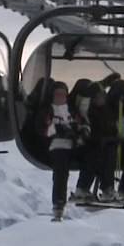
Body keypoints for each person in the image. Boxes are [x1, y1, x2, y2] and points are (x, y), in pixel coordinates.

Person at [42, 82, 78, 218]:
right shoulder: (48, 111)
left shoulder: (72, 110)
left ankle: (84, 189)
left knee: (93, 155)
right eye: (57, 94)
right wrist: (59, 130)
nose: (60, 96)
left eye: (63, 94)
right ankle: (59, 202)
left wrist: (79, 131)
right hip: (56, 144)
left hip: (74, 143)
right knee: (61, 171)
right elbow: (43, 129)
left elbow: (81, 123)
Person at [77, 86, 119, 200]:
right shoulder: (89, 112)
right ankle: (83, 188)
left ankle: (107, 188)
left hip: (105, 144)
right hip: (91, 144)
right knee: (93, 159)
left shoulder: (108, 113)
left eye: (102, 97)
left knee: (108, 159)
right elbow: (87, 127)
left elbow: (112, 129)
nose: (101, 99)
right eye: (98, 97)